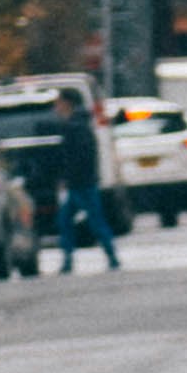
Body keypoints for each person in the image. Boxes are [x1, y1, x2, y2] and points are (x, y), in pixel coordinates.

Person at [52, 86, 120, 274]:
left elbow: (79, 156)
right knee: (67, 220)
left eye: (58, 102)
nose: (55, 107)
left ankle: (110, 256)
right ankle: (70, 260)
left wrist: (69, 176)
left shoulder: (74, 126)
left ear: (67, 103)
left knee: (93, 220)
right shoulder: (79, 123)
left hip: (82, 183)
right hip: (81, 182)